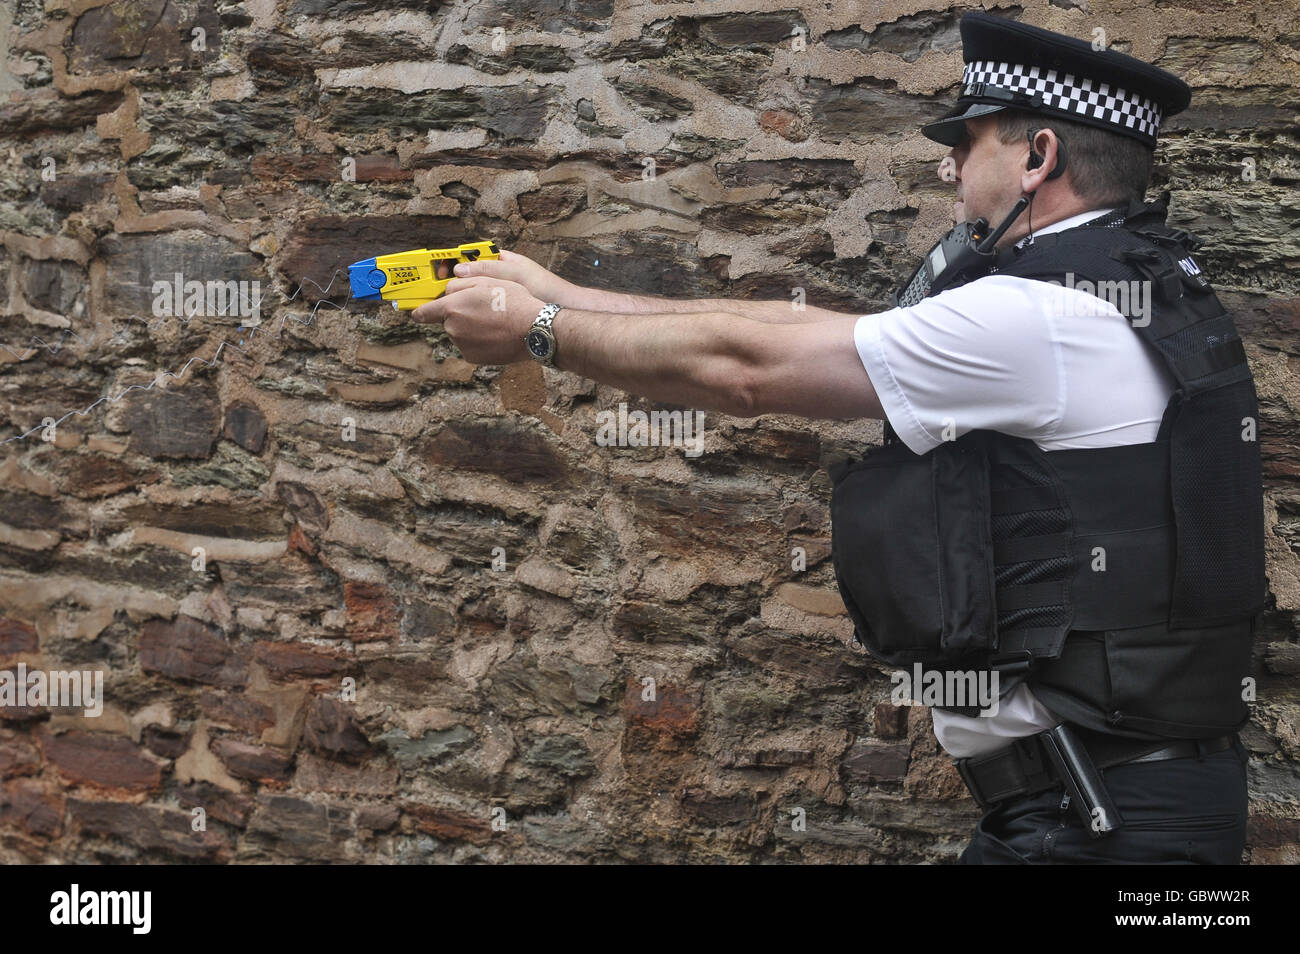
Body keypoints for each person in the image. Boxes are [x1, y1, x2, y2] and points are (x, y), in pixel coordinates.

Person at [412, 11, 1267, 864]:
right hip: (1118, 807)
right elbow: (777, 333)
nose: (949, 168)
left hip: (1099, 824)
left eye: (967, 146)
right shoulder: (1127, 284)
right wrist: (557, 292)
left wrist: (542, 330)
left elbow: (747, 367)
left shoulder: (1034, 315)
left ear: (1038, 157)